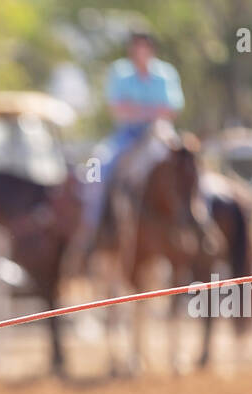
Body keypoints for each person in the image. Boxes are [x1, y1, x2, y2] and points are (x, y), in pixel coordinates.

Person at [79, 31, 185, 250]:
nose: (140, 52)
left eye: (144, 47)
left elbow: (172, 110)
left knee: (187, 165)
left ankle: (197, 224)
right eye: (136, 47)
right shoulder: (120, 72)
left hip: (160, 134)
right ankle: (92, 230)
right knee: (98, 166)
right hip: (128, 135)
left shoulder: (166, 73)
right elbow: (118, 110)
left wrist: (138, 110)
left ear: (152, 50)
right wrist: (152, 111)